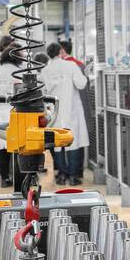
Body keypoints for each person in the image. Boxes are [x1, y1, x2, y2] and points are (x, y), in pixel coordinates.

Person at [40, 41, 89, 186]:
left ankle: (62, 175)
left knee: (57, 143)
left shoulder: (45, 70)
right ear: (60, 52)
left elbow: (43, 91)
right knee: (73, 141)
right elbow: (81, 84)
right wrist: (86, 75)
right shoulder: (71, 65)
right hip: (71, 109)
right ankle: (73, 176)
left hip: (54, 111)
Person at [0, 36, 22, 189]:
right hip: (16, 111)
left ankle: (4, 178)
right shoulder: (18, 72)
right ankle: (17, 177)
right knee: (18, 146)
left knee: (3, 147)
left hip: (0, 112)